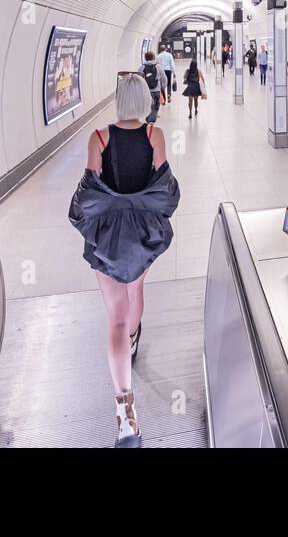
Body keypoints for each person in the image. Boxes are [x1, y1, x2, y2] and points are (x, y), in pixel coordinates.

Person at [75, 73, 180, 447]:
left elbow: (91, 187)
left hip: (107, 236)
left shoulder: (98, 138)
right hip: (141, 233)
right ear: (145, 101)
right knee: (136, 288)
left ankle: (125, 412)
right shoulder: (155, 135)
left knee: (114, 317)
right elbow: (162, 183)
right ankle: (135, 335)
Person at [140, 51, 165, 123]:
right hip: (156, 90)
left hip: (146, 91)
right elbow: (164, 79)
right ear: (153, 57)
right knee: (155, 108)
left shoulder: (141, 68)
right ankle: (151, 121)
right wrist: (163, 87)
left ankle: (149, 118)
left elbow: (139, 80)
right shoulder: (158, 67)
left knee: (149, 106)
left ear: (145, 58)